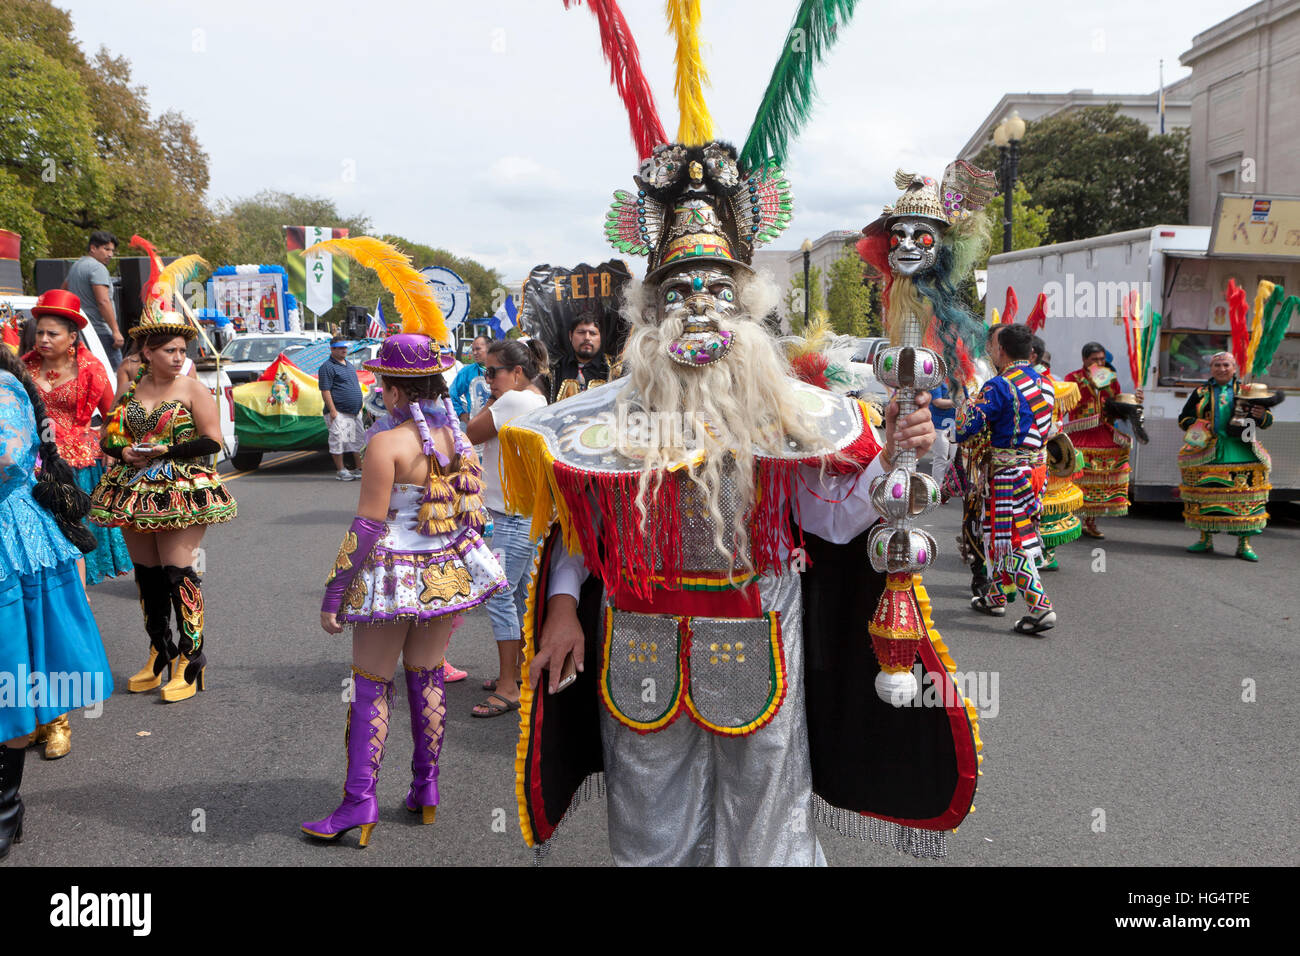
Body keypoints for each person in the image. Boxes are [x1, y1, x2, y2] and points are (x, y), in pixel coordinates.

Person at [502, 143, 982, 864]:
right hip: (637, 631)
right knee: (647, 818)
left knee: (768, 818)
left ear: (747, 306)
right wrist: (565, 606)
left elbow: (834, 518)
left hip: (759, 622)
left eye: (718, 290)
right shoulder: (604, 418)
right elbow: (584, 523)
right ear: (654, 311)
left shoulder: (787, 414)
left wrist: (897, 454)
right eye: (680, 289)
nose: (699, 304)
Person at [303, 272, 505, 847]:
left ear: (391, 390)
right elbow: (468, 512)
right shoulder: (458, 439)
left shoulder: (385, 443)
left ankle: (357, 803)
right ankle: (425, 789)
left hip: (392, 574)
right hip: (447, 571)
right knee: (428, 677)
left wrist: (334, 591)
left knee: (371, 684)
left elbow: (367, 526)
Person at [0, 349, 114, 860]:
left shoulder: (4, 388)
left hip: (11, 540)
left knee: (12, 678)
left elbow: (6, 458)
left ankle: (5, 808)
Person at [89, 310, 237, 703]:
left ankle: (191, 661)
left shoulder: (191, 388)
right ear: (147, 353)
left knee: (178, 573)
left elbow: (212, 441)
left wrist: (166, 450)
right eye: (170, 350)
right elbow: (107, 438)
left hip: (181, 488)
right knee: (147, 576)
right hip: (134, 488)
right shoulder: (131, 391)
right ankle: (160, 653)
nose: (178, 357)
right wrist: (125, 452)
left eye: (181, 350)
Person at [18, 292, 130, 760]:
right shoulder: (19, 369)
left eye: (52, 332)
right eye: (38, 331)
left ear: (71, 338)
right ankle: (35, 714)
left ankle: (59, 711)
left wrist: (106, 442)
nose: (42, 339)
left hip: (75, 473)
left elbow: (115, 412)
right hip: (27, 477)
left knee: (64, 575)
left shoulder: (89, 370)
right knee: (32, 584)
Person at [465, 338, 549, 714]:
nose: (488, 381)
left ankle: (508, 687)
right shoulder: (535, 398)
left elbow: (469, 433)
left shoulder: (515, 400)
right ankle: (514, 673)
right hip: (520, 513)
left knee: (499, 594)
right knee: (513, 596)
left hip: (513, 516)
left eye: (493, 372)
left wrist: (493, 399)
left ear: (517, 372)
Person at [957, 323, 1057, 634]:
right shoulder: (1047, 384)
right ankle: (996, 596)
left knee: (1008, 539)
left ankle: (1040, 608)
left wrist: (967, 405)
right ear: (1030, 352)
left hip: (1007, 473)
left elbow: (965, 429)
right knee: (1001, 533)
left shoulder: (998, 386)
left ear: (1001, 350)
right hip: (1036, 472)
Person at [1177, 352, 1274, 561]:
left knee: (1245, 498)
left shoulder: (1248, 390)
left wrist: (1260, 416)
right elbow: (1183, 418)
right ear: (1211, 369)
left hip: (1241, 450)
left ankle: (1244, 544)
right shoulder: (1201, 392)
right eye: (1217, 365)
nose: (1222, 369)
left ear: (1234, 368)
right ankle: (1205, 538)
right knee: (1205, 496)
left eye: (1226, 365)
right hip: (1207, 452)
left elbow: (1267, 421)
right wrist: (1202, 426)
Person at [1064, 342, 1139, 538]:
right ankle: (1071, 519)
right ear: (1084, 360)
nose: (1099, 362)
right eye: (1094, 359)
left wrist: (1128, 404)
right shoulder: (1072, 378)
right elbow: (1068, 404)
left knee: (1099, 480)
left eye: (1102, 359)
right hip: (1081, 432)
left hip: (1104, 432)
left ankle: (1090, 521)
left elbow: (1117, 404)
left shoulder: (1109, 379)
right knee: (1076, 478)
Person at [1031, 335, 1084, 572]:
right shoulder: (1048, 381)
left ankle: (1044, 552)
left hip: (1044, 452)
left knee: (1044, 502)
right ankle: (1042, 551)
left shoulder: (1041, 382)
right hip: (1048, 450)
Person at [61, 231, 124, 371]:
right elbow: (103, 301)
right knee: (119, 375)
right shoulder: (98, 267)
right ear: (93, 248)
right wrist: (115, 331)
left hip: (80, 331)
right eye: (106, 249)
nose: (110, 255)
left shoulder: (76, 266)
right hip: (100, 331)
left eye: (112, 251)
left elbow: (63, 292)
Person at [318, 338, 365, 481]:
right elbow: (325, 390)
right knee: (337, 440)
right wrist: (332, 410)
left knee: (356, 440)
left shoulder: (349, 365)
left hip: (354, 411)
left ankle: (359, 468)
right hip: (338, 411)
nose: (344, 350)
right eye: (339, 348)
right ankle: (341, 470)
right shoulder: (327, 367)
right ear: (332, 349)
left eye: (345, 347)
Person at [550, 317, 609, 402]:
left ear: (601, 337)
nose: (587, 338)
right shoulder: (556, 368)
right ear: (570, 335)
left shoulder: (611, 368)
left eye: (592, 333)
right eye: (581, 332)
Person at [450, 335, 489, 421]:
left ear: (489, 349)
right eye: (473, 350)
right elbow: (451, 394)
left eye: (478, 349)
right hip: (476, 425)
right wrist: (461, 413)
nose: (474, 353)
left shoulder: (502, 369)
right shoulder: (467, 372)